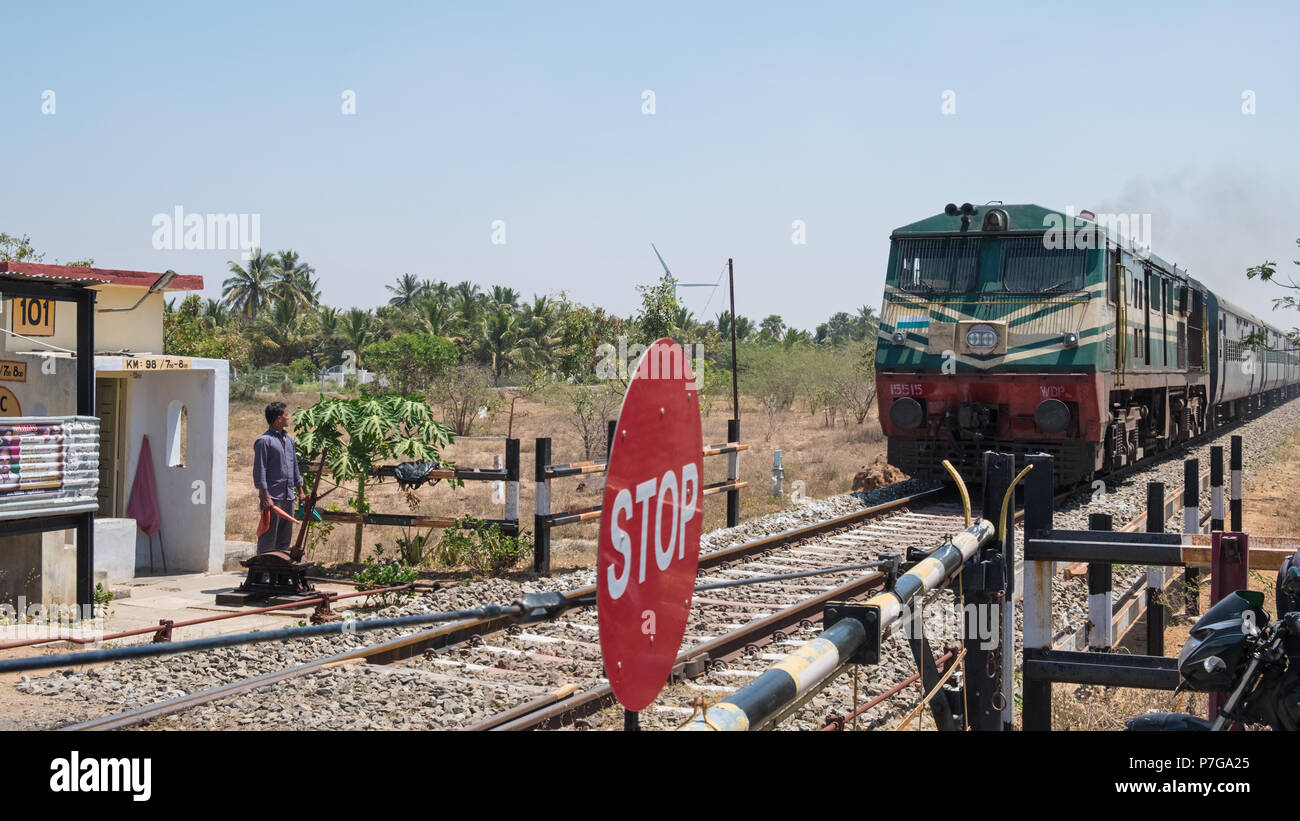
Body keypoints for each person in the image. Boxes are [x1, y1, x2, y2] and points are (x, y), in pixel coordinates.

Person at [252, 401, 302, 554]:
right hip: (273, 497)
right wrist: (265, 496)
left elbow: (294, 467)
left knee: (284, 538)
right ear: (279, 418)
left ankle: (279, 575)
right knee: (269, 536)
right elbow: (260, 471)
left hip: (288, 496)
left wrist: (300, 491)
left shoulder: (289, 440)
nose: (289, 417)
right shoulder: (264, 441)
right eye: (286, 414)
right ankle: (264, 575)